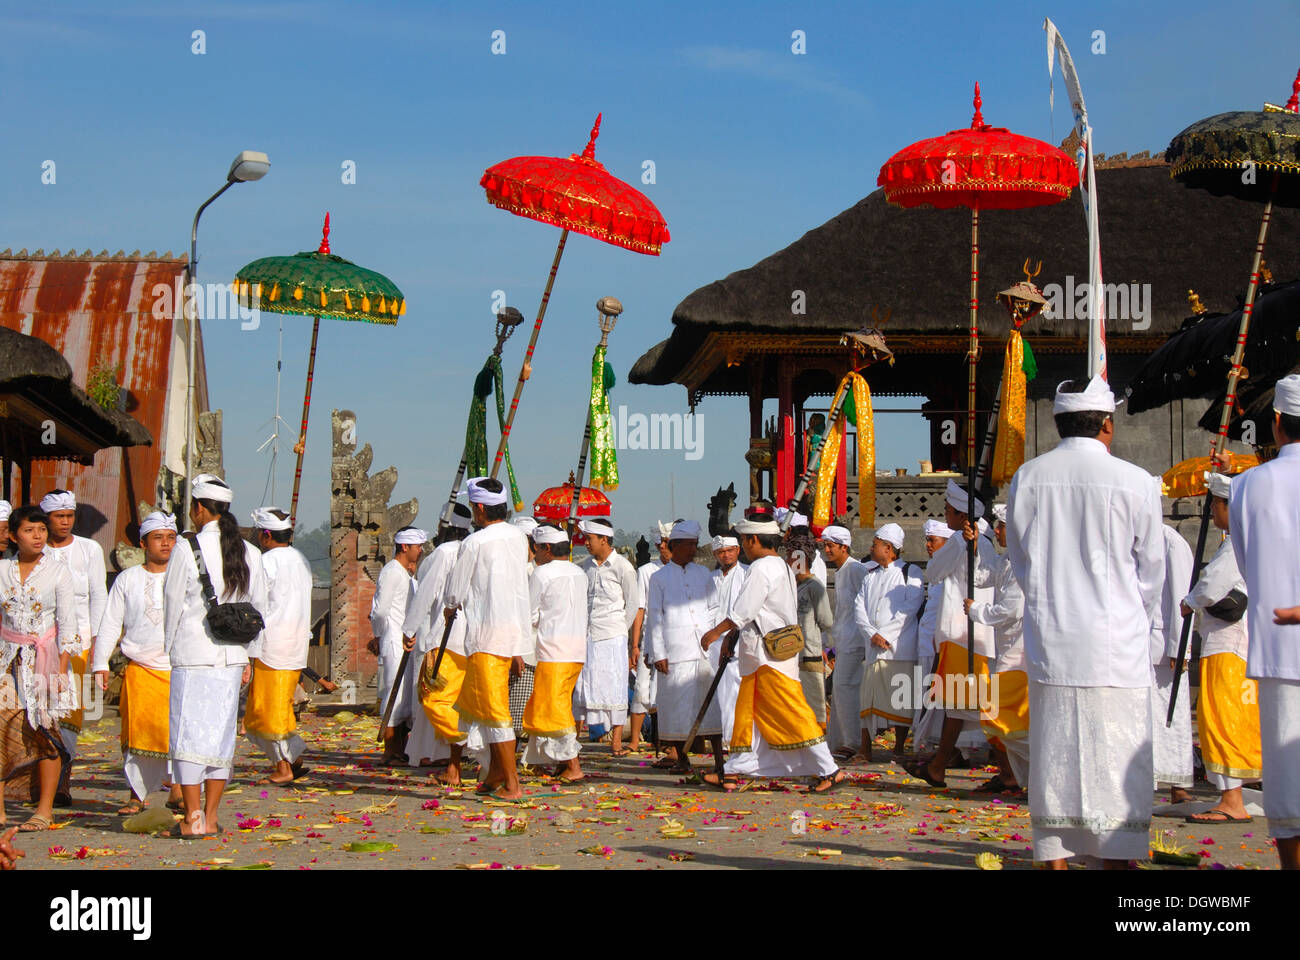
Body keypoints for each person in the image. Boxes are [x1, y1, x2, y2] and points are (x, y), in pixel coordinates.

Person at [1006, 377, 1165, 869]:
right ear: (1108, 426)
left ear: (1058, 423)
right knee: (1117, 759)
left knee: (1055, 756)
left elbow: (1021, 559)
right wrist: (1134, 615)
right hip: (1116, 642)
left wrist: (1051, 602)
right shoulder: (1136, 481)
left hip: (1054, 640)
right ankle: (1118, 859)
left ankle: (1055, 858)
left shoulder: (1029, 477)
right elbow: (1151, 572)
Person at [699, 517, 846, 793]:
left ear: (754, 540)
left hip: (768, 657)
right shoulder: (781, 566)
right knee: (749, 714)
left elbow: (743, 611)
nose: (743, 547)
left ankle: (830, 769)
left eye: (744, 541)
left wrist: (715, 632)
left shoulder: (762, 568)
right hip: (763, 655)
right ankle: (734, 769)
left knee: (792, 712)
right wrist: (731, 635)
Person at [164, 475, 268, 838]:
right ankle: (209, 817)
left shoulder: (185, 547)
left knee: (187, 735)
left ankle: (191, 817)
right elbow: (259, 610)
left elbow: (172, 605)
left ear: (197, 508)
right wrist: (250, 658)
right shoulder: (250, 551)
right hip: (232, 658)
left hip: (193, 655)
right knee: (220, 738)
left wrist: (167, 649)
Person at [1228, 373, 1300, 869]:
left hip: (1278, 643)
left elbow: (1245, 561)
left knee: (1287, 772)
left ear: (1276, 423)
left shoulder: (1248, 485)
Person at [444, 477, 531, 800]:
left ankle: (513, 783)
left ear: (479, 509)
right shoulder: (518, 538)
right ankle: (496, 773)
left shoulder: (475, 543)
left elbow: (456, 588)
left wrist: (450, 607)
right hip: (512, 631)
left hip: (487, 634)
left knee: (495, 712)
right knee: (478, 705)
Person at [92, 511, 183, 814]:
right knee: (138, 735)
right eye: (159, 538)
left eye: (171, 537)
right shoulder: (128, 579)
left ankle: (179, 792)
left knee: (179, 735)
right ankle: (136, 795)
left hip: (180, 668)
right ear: (144, 543)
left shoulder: (187, 578)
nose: (166, 544)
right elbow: (110, 623)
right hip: (141, 668)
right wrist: (100, 663)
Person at [1182, 473, 1259, 825]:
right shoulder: (1250, 538)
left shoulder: (1237, 542)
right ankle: (1232, 796)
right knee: (1229, 716)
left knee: (1223, 717)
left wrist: (1189, 601)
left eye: (1215, 504)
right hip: (1236, 641)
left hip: (1227, 642)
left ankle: (1232, 800)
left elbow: (1212, 585)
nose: (1212, 511)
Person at [912, 480, 997, 788]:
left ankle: (941, 765)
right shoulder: (974, 543)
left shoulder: (969, 543)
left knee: (968, 704)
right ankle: (939, 764)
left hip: (964, 632)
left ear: (962, 516)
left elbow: (933, 573)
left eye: (948, 510)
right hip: (968, 633)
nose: (944, 513)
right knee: (961, 704)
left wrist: (967, 546)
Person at [0, 506, 77, 832]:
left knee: (45, 733)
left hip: (43, 662)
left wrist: (60, 671)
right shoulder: (1, 570)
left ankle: (44, 809)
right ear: (13, 535)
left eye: (41, 530)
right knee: (2, 732)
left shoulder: (58, 571)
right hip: (5, 659)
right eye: (30, 530)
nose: (37, 536)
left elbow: (68, 625)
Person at [39, 489, 107, 806]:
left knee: (69, 713)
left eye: (70, 516)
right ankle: (38, 784)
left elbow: (97, 597)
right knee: (41, 710)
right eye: (59, 517)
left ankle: (62, 783)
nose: (65, 522)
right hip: (40, 642)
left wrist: (96, 644)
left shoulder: (89, 549)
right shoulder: (36, 551)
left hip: (78, 641)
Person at [402, 503, 472, 777]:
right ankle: (439, 756)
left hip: (446, 636)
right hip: (466, 638)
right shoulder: (472, 549)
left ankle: (468, 741)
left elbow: (426, 593)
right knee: (452, 701)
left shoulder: (444, 552)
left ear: (445, 525)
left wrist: (409, 628)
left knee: (433, 699)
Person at [645, 520, 720, 774]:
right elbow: (654, 617)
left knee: (710, 707)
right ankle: (682, 758)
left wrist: (713, 636)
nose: (693, 550)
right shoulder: (659, 578)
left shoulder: (704, 574)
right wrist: (658, 652)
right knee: (675, 707)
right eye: (688, 545)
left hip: (703, 651)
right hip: (674, 651)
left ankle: (720, 761)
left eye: (695, 545)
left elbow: (714, 608)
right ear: (674, 546)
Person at [244, 508, 312, 785]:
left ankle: (283, 766)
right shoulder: (301, 559)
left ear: (266, 534)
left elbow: (255, 606)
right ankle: (292, 758)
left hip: (272, 645)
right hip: (295, 645)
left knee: (266, 712)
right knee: (278, 708)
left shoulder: (266, 562)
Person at [966, 503, 1029, 794]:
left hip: (1019, 653)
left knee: (999, 717)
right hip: (1005, 650)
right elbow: (981, 577)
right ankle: (1015, 777)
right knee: (1002, 720)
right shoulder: (1007, 560)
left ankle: (1029, 772)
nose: (998, 532)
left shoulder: (1022, 562)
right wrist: (976, 545)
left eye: (1001, 527)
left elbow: (1012, 610)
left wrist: (978, 611)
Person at [522, 524, 588, 782]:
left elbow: (529, 614)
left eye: (536, 548)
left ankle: (573, 764)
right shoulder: (579, 572)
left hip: (553, 650)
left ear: (546, 549)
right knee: (556, 704)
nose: (534, 554)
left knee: (554, 707)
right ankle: (554, 761)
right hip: (576, 651)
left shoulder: (542, 574)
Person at [855, 523, 924, 763]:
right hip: (874, 648)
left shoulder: (911, 572)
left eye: (875, 545)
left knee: (900, 700)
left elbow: (910, 606)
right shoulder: (870, 575)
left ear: (889, 548)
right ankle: (865, 749)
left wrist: (885, 634)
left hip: (899, 648)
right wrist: (872, 634)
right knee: (868, 699)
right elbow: (859, 608)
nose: (871, 548)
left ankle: (898, 749)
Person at [578, 517, 637, 757]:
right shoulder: (585, 566)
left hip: (612, 635)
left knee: (615, 685)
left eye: (590, 539)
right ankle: (577, 738)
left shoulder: (622, 566)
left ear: (604, 539)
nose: (586, 544)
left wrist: (619, 629)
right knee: (585, 685)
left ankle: (615, 741)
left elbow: (632, 604)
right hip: (588, 634)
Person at [369, 526, 425, 765]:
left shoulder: (406, 573)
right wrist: (380, 635)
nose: (420, 551)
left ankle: (401, 747)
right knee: (394, 691)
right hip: (393, 639)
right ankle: (390, 749)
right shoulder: (391, 571)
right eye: (417, 547)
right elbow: (380, 610)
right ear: (404, 547)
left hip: (406, 642)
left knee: (405, 695)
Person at [1151, 518, 1195, 803]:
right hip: (1139, 643)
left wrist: (1180, 647)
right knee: (1147, 717)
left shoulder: (1171, 542)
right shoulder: (1140, 537)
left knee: (1171, 713)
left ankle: (1178, 784)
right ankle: (1149, 778)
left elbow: (1181, 596)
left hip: (1164, 643)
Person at [822, 524, 869, 759]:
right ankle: (840, 740)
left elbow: (867, 605)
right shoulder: (840, 571)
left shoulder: (856, 570)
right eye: (825, 546)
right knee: (840, 690)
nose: (827, 550)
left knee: (844, 689)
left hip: (856, 639)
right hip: (843, 639)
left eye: (831, 546)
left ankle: (853, 742)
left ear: (844, 547)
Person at [911, 519, 952, 756]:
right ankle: (925, 741)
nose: (928, 545)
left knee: (938, 698)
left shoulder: (949, 570)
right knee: (924, 694)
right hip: (925, 643)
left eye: (932, 540)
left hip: (939, 643)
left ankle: (936, 745)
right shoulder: (936, 569)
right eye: (927, 540)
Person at [629, 523, 671, 755]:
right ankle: (635, 741)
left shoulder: (685, 571)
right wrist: (634, 645)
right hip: (649, 638)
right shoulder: (646, 571)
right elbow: (640, 609)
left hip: (674, 638)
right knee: (642, 689)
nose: (663, 548)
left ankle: (668, 740)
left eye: (667, 544)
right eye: (661, 544)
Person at [707, 532, 746, 749]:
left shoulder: (747, 575)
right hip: (711, 643)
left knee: (734, 692)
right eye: (721, 552)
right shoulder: (709, 579)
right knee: (716, 693)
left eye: (730, 550)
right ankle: (717, 737)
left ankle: (732, 739)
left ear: (738, 551)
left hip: (736, 644)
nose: (726, 555)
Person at [789, 534, 832, 726]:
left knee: (815, 709)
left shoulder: (815, 587)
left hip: (810, 654)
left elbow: (826, 621)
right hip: (790, 657)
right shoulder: (790, 586)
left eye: (790, 556)